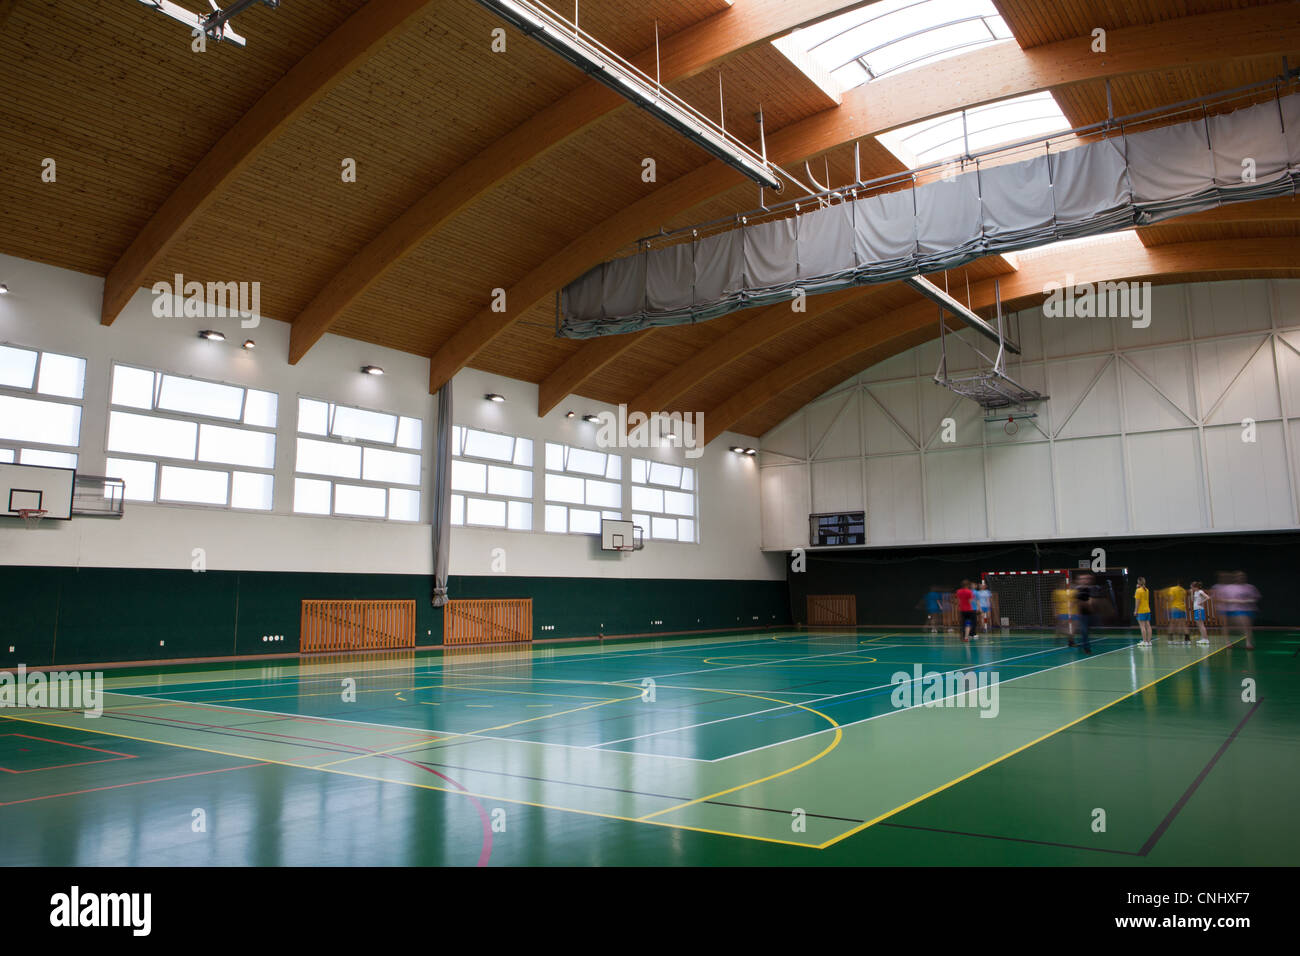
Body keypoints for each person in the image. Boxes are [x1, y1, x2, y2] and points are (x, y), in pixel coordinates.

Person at [1215, 571, 1260, 651]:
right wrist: (1230, 601)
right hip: (1231, 610)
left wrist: (1247, 601)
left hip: (1246, 610)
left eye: (1242, 576)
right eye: (1238, 576)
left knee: (1246, 626)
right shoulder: (1229, 587)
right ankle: (1227, 642)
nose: (1240, 578)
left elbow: (1255, 597)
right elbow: (1221, 598)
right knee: (1227, 626)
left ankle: (1248, 642)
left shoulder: (1249, 587)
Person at [1071, 573, 1096, 654]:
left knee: (1086, 631)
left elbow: (1091, 601)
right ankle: (1087, 648)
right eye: (1082, 579)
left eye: (1086, 578)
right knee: (1084, 631)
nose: (1084, 580)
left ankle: (1083, 644)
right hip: (1081, 615)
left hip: (1090, 614)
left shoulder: (1091, 589)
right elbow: (1074, 602)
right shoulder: (1077, 590)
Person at [1190, 581, 1210, 645]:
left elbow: (1208, 597)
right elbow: (1192, 600)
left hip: (1199, 609)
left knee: (1201, 625)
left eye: (1192, 587)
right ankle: (1203, 638)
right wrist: (1191, 593)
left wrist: (1201, 602)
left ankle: (1206, 639)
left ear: (1195, 587)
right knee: (1199, 625)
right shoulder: (1195, 592)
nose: (1191, 588)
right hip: (1196, 609)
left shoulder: (1200, 591)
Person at [1134, 576, 1153, 646]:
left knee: (1142, 626)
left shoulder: (1138, 591)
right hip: (1147, 610)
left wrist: (1135, 611)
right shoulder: (1146, 590)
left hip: (1141, 611)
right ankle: (1149, 642)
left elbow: (1137, 602)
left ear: (1138, 582)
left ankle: (1144, 642)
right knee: (1148, 625)